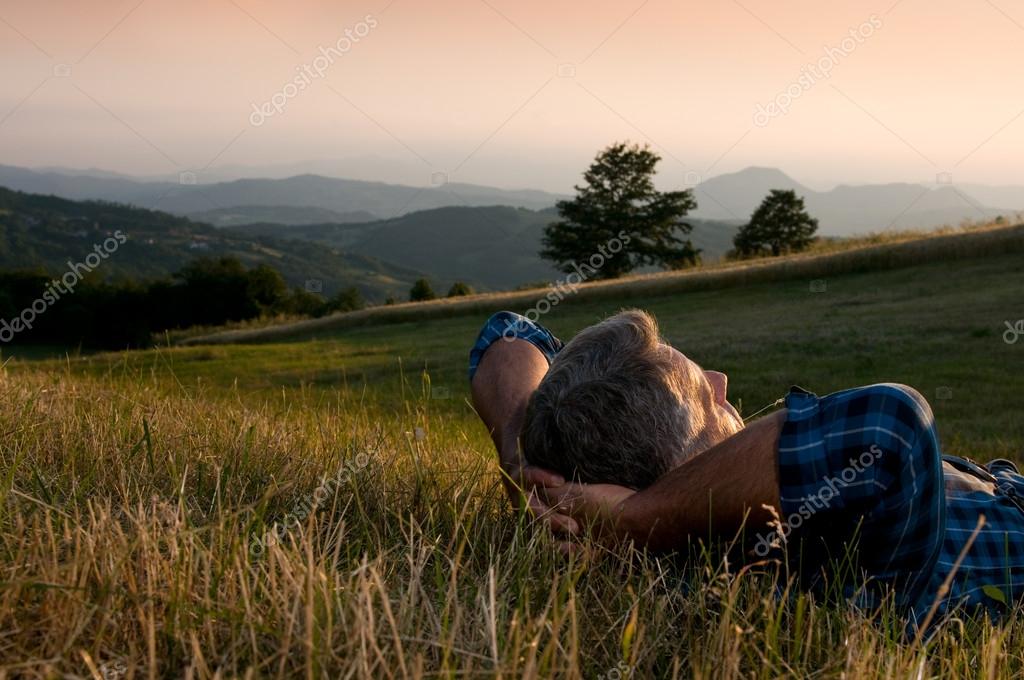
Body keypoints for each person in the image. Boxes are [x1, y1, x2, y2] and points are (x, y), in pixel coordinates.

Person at [469, 309, 1024, 629]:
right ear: (678, 473)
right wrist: (634, 519)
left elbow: (509, 333)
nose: (721, 381)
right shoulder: (804, 559)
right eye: (704, 401)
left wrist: (525, 465)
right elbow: (890, 421)